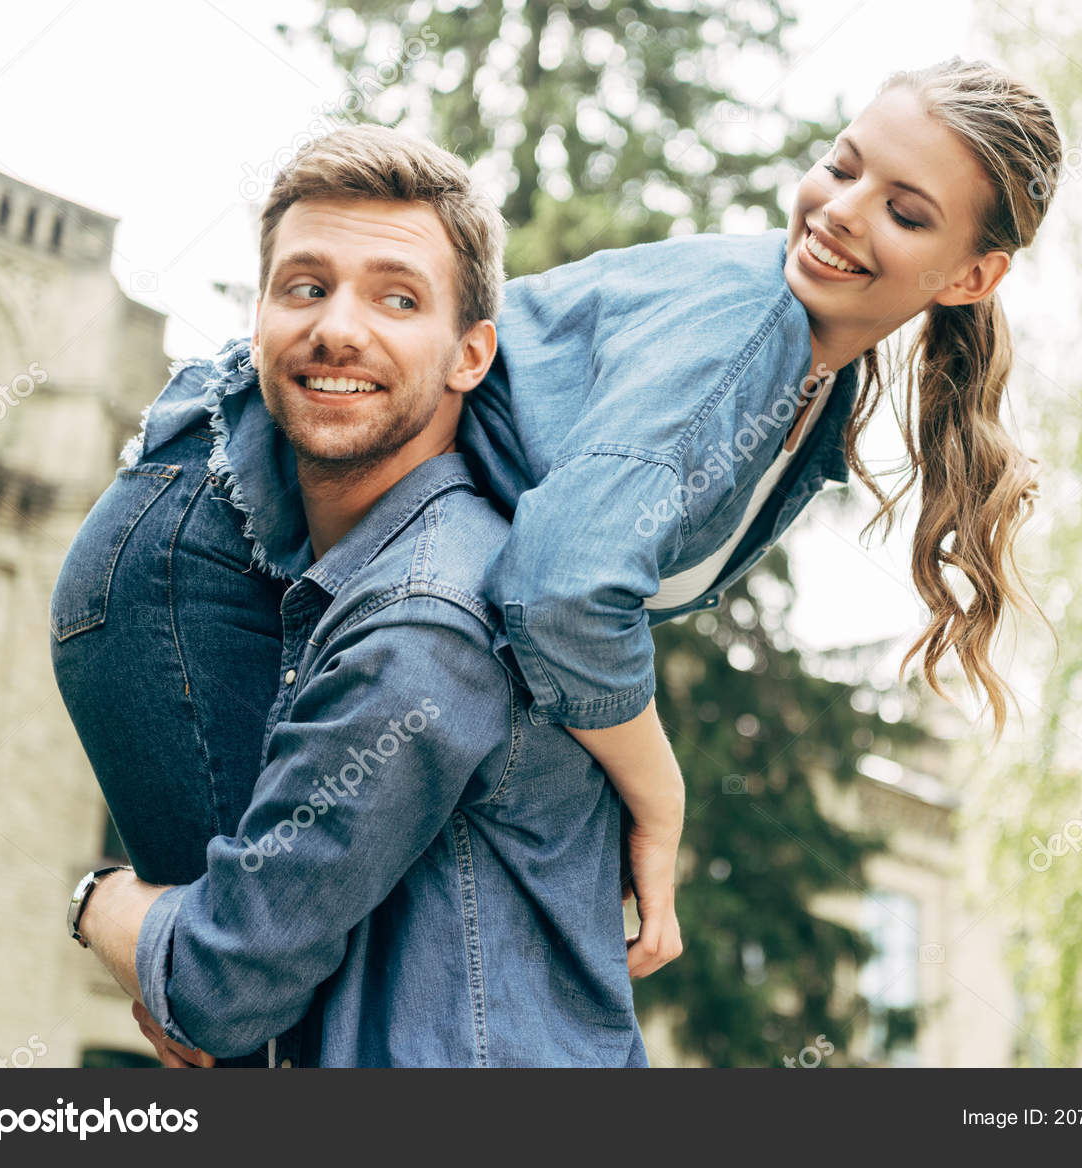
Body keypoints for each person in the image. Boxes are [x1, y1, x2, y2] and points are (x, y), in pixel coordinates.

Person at [53, 55, 1062, 1058]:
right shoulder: (749, 323)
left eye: (905, 213)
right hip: (197, 547)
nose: (842, 211)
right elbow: (564, 588)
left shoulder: (812, 378)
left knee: (277, 984)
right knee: (239, 991)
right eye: (841, 166)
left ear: (972, 277)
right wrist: (657, 791)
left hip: (348, 589)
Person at [66, 153, 647, 1066]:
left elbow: (223, 984)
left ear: (471, 355)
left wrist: (95, 901)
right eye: (305, 288)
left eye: (397, 299)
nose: (338, 330)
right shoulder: (361, 576)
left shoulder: (424, 620)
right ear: (258, 324)